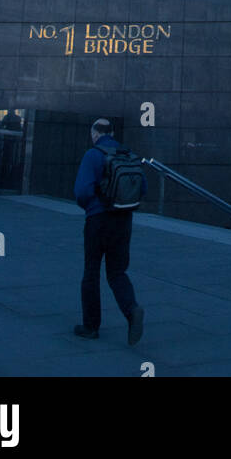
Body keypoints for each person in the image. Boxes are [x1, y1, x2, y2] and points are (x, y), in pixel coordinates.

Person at [73, 118, 145, 344]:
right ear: (112, 133)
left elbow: (82, 192)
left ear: (94, 133)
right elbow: (141, 187)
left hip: (98, 220)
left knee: (91, 272)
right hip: (123, 220)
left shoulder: (93, 155)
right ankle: (132, 309)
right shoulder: (128, 154)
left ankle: (91, 326)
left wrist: (93, 207)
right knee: (117, 272)